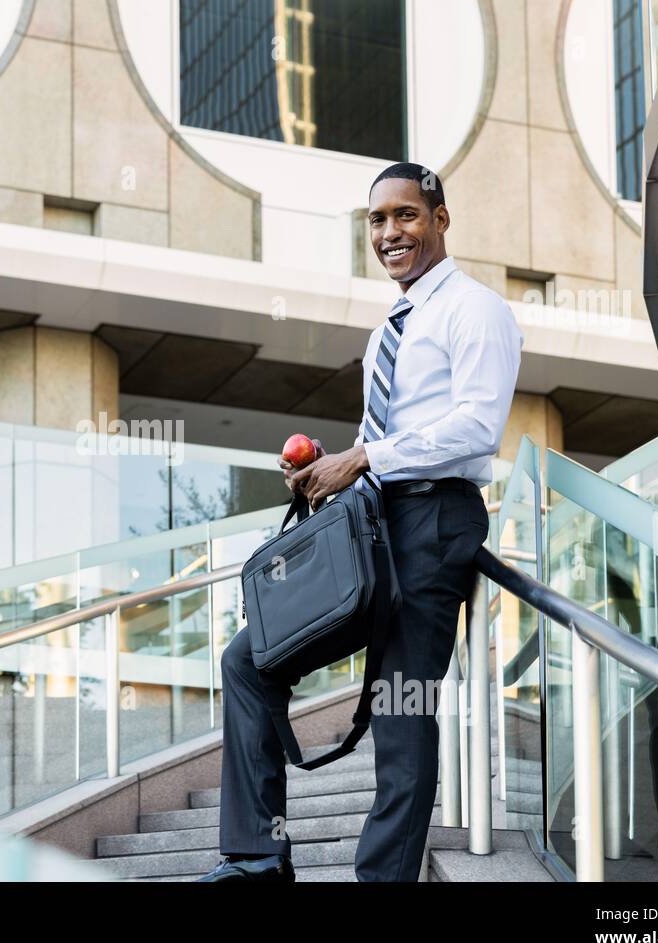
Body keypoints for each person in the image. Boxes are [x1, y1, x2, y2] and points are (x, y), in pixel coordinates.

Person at [197, 162, 523, 882]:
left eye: (406, 215)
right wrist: (324, 472)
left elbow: (477, 426)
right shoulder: (389, 333)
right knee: (247, 662)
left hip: (435, 525)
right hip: (369, 525)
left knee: (402, 714)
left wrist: (366, 456)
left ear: (440, 219)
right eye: (377, 221)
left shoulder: (476, 310)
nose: (390, 233)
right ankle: (255, 859)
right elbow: (377, 437)